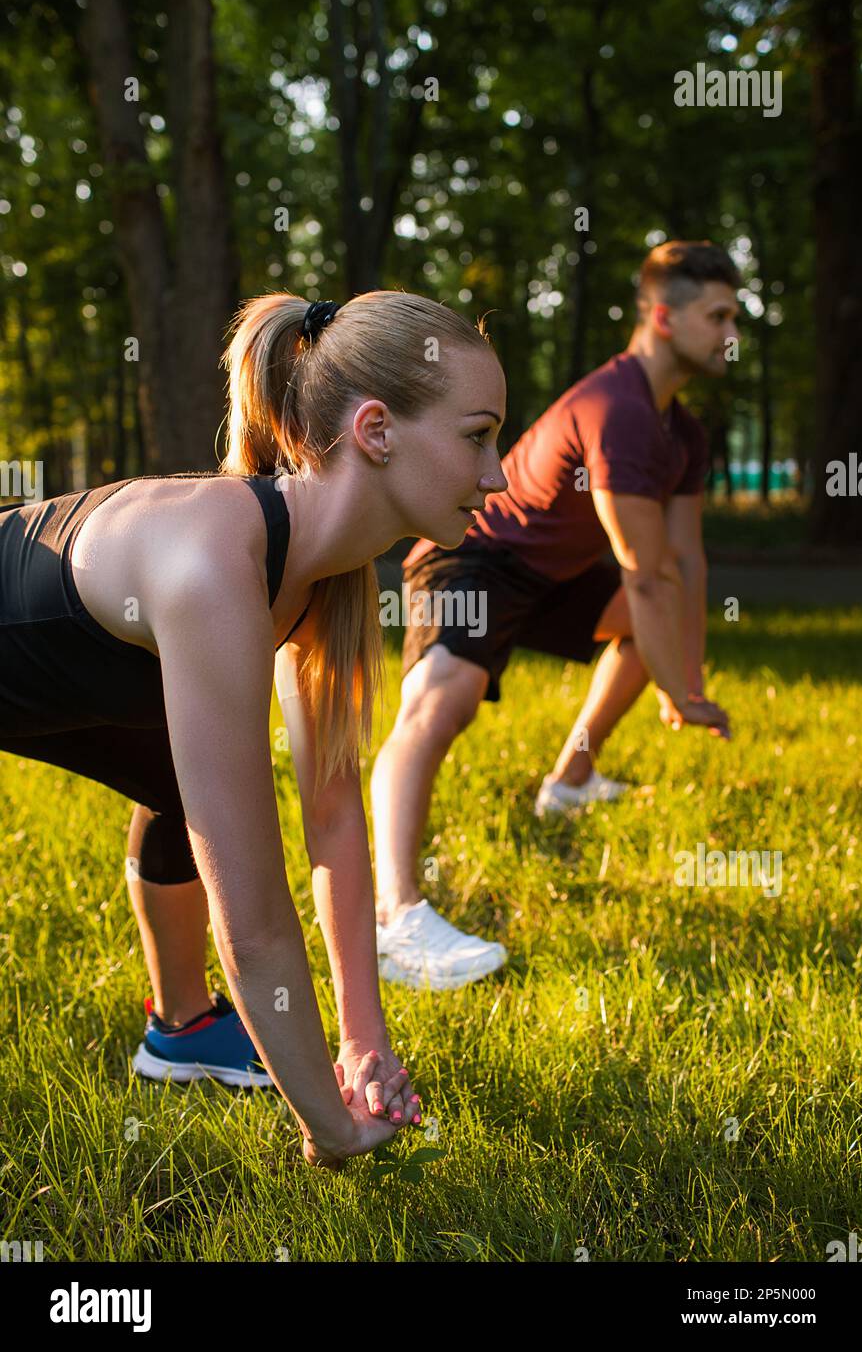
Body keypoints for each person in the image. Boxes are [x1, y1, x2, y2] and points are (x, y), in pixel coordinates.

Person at [0, 290, 507, 1170]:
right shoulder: (213, 565)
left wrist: (363, 1041)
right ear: (377, 429)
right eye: (477, 435)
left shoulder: (319, 577)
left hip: (42, 685)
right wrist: (332, 1125)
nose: (497, 474)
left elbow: (336, 821)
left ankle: (183, 1031)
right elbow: (258, 913)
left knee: (183, 767)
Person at [371, 240, 737, 990]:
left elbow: (685, 565)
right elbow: (642, 571)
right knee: (445, 703)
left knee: (644, 630)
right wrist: (677, 692)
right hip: (477, 555)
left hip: (556, 573)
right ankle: (394, 919)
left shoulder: (684, 432)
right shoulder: (621, 409)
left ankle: (570, 779)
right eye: (719, 316)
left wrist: (685, 675)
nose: (731, 334)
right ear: (663, 317)